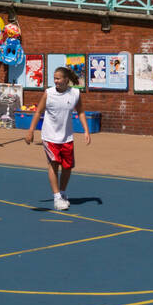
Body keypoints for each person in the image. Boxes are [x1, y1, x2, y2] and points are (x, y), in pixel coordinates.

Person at [24, 66, 91, 210]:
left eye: (58, 78)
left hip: (66, 137)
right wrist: (31, 131)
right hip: (50, 136)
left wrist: (86, 130)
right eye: (54, 78)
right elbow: (38, 112)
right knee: (54, 164)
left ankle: (62, 192)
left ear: (66, 80)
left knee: (67, 167)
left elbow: (80, 112)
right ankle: (56, 197)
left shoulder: (75, 94)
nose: (56, 81)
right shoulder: (48, 93)